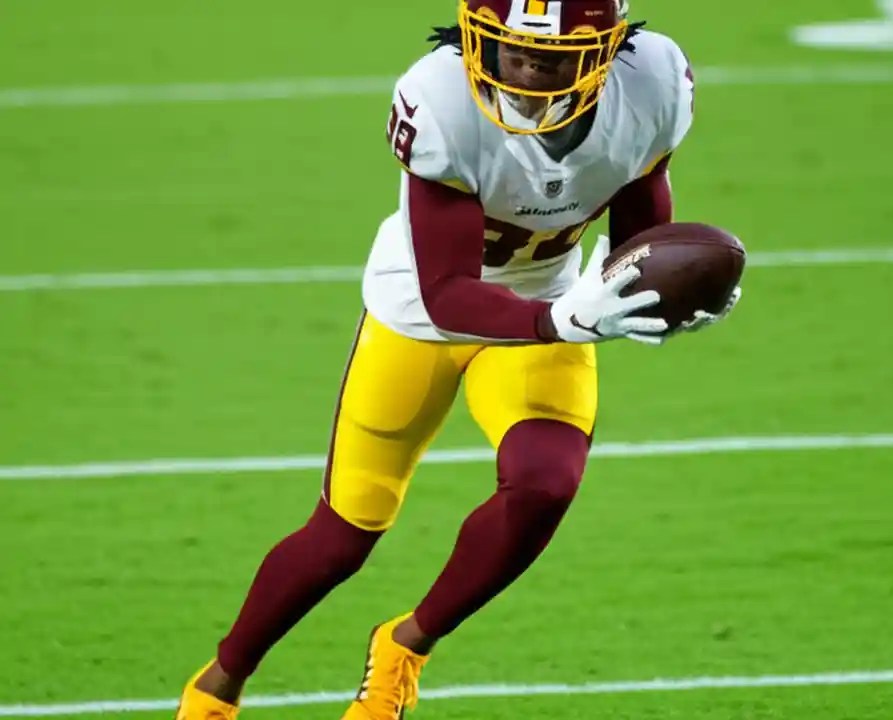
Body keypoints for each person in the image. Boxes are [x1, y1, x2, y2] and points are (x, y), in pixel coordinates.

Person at [176, 0, 739, 716]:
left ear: (609, 48)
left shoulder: (653, 81)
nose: (531, 64)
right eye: (512, 47)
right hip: (422, 317)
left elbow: (641, 226)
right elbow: (446, 292)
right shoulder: (443, 97)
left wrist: (669, 290)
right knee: (344, 536)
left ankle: (405, 644)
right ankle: (219, 682)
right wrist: (560, 319)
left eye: (556, 52)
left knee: (545, 486)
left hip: (551, 307)